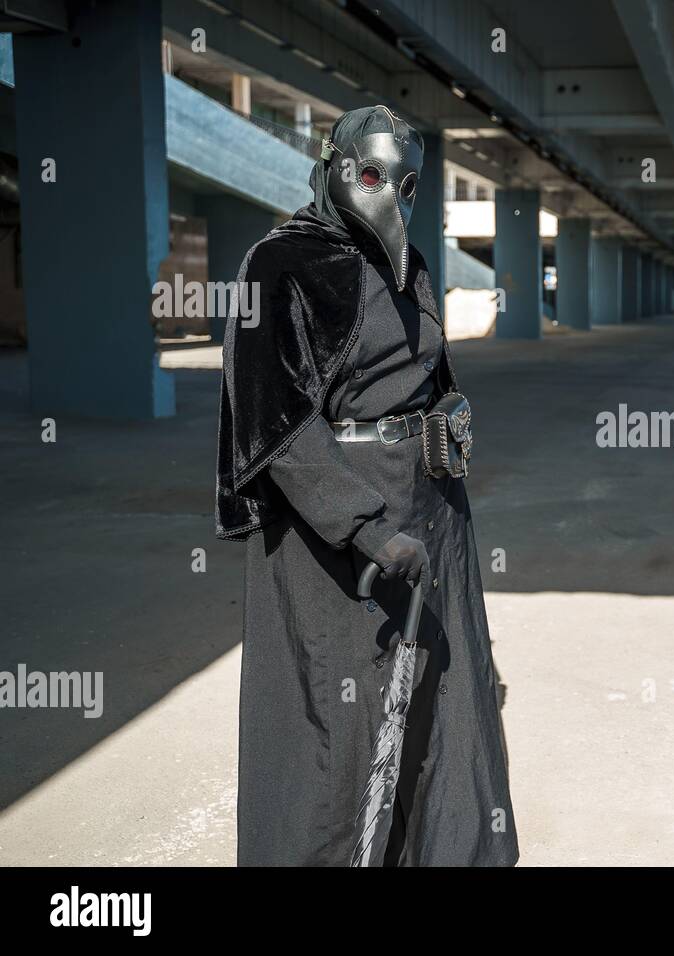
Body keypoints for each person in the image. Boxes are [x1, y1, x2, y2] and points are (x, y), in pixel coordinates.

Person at [214, 105, 517, 866]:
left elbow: (428, 372)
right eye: (374, 175)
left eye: (406, 184)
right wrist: (364, 525)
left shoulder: (408, 266)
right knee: (338, 727)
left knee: (441, 706)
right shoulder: (281, 265)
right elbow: (274, 420)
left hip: (433, 509)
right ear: (337, 168)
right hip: (336, 532)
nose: (391, 198)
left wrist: (448, 417)